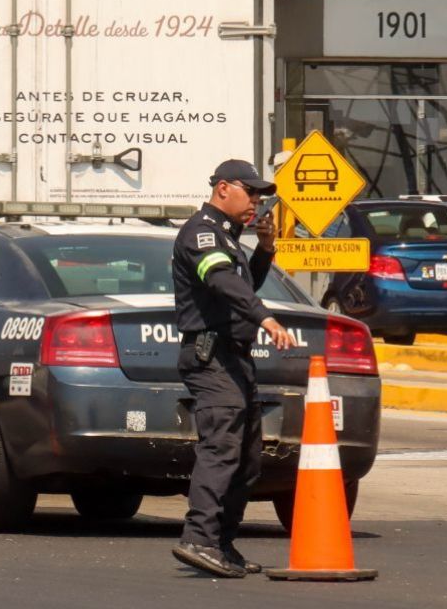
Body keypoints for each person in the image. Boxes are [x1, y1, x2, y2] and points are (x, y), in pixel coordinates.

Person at [170, 159, 299, 579]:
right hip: (212, 358)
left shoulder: (228, 237)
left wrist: (264, 250)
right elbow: (223, 284)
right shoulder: (202, 234)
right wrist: (265, 318)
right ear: (224, 188)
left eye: (261, 196)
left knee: (247, 459)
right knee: (221, 448)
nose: (257, 202)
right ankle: (199, 538)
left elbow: (242, 285)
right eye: (252, 193)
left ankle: (221, 544)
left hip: (235, 359)